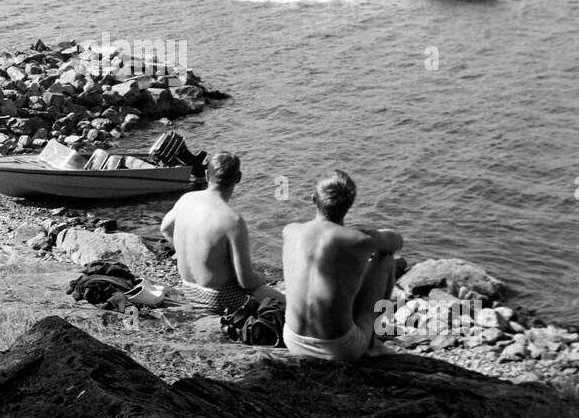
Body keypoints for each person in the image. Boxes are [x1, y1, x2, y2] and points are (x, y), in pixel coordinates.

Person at [281, 170, 407, 364]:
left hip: (292, 339)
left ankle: (369, 339)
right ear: (351, 203)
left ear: (313, 198)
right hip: (339, 348)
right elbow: (397, 242)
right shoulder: (360, 239)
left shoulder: (290, 231)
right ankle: (372, 342)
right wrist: (373, 236)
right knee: (387, 259)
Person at [159, 152, 284, 314]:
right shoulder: (233, 221)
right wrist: (262, 278)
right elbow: (246, 282)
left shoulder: (186, 199)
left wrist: (191, 252)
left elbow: (165, 229)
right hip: (219, 298)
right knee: (285, 302)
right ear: (238, 177)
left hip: (189, 289)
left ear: (205, 175)